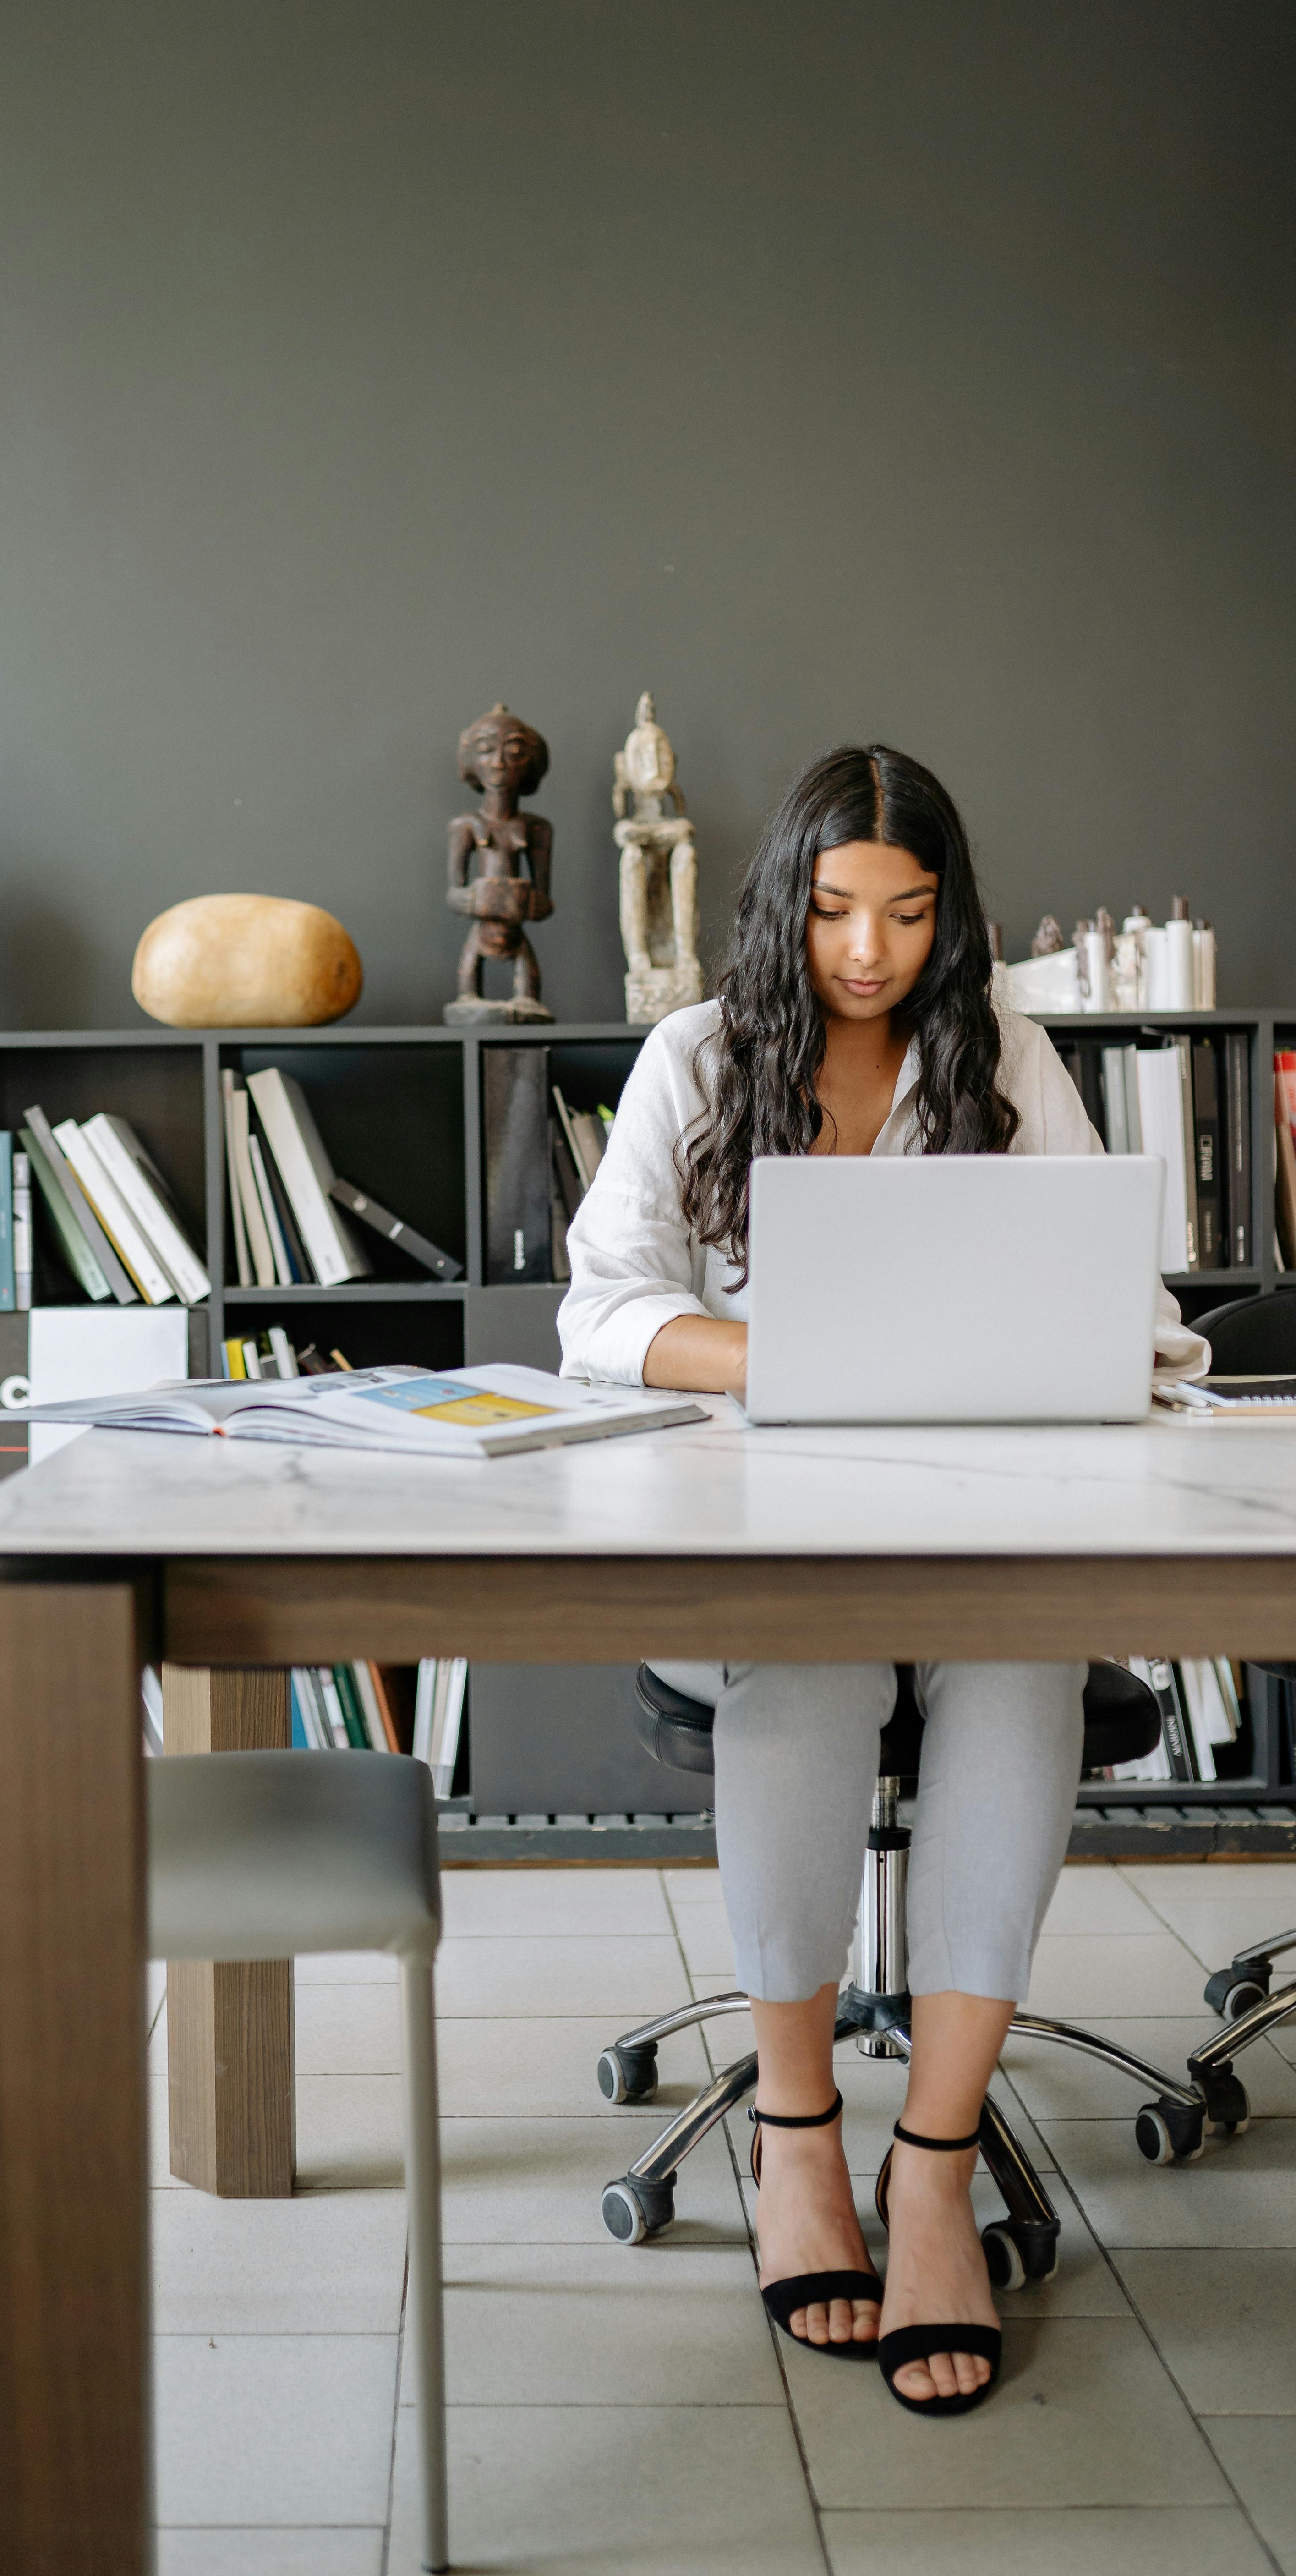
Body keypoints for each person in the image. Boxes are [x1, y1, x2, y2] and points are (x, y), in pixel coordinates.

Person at [558, 742, 1206, 2417]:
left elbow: (1135, 1318)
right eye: (837, 911)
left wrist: (1044, 1353)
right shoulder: (694, 1057)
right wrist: (785, 1356)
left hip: (976, 1539)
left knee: (1019, 1657)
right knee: (810, 1652)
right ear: (788, 901)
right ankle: (794, 2138)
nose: (867, 952)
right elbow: (602, 1316)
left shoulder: (1002, 1055)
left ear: (949, 917)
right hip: (760, 1561)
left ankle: (928, 2164)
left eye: (907, 915)